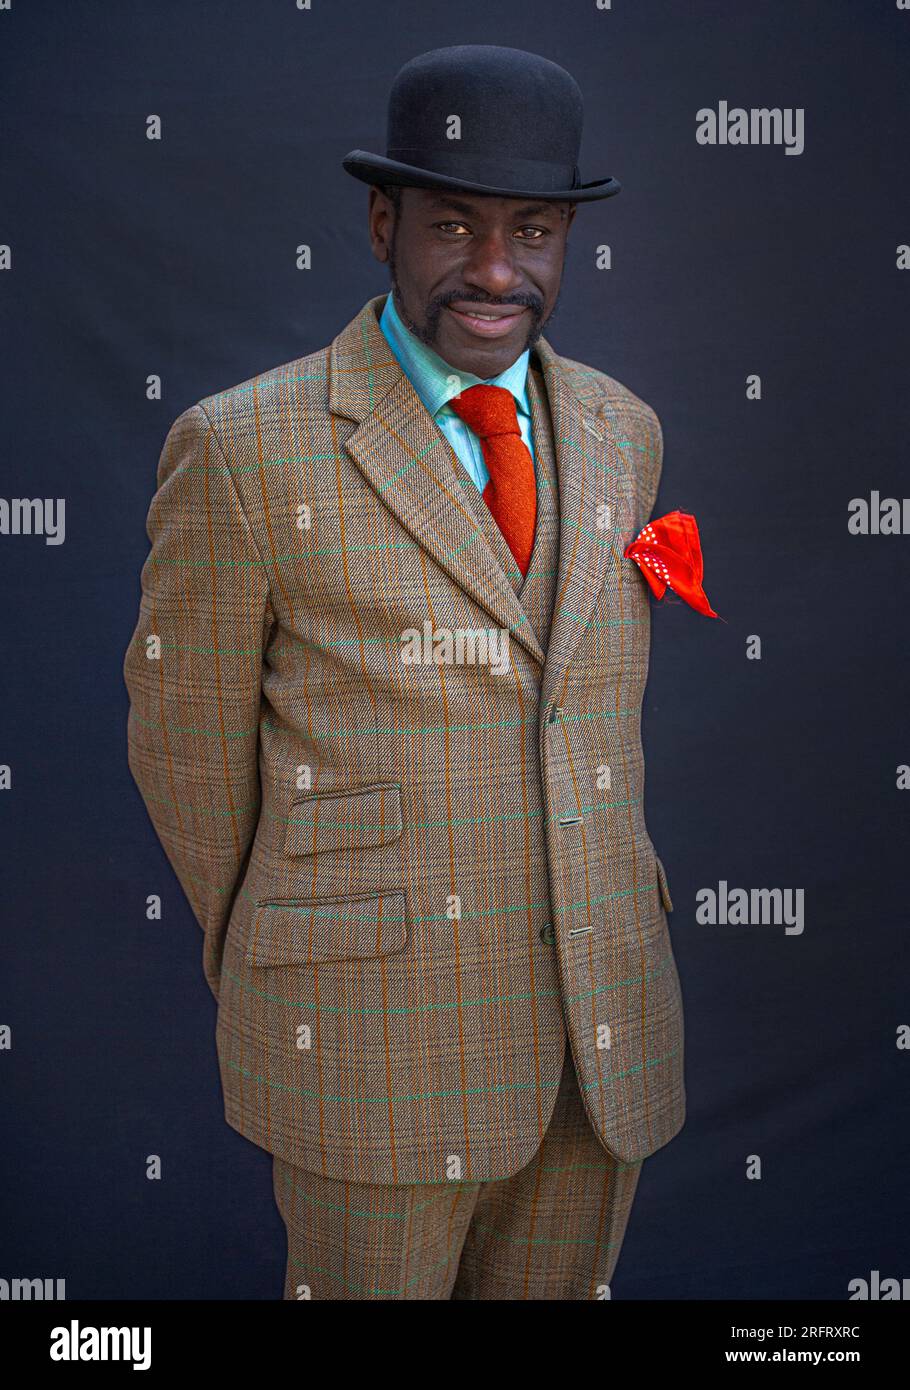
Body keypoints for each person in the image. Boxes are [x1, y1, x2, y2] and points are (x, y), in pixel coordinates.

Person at [123, 43, 684, 1301]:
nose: (495, 270)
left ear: (564, 242)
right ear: (382, 225)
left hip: (601, 1030)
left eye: (530, 230)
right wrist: (294, 939)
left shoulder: (622, 428)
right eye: (452, 226)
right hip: (368, 1036)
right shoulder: (242, 447)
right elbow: (185, 749)